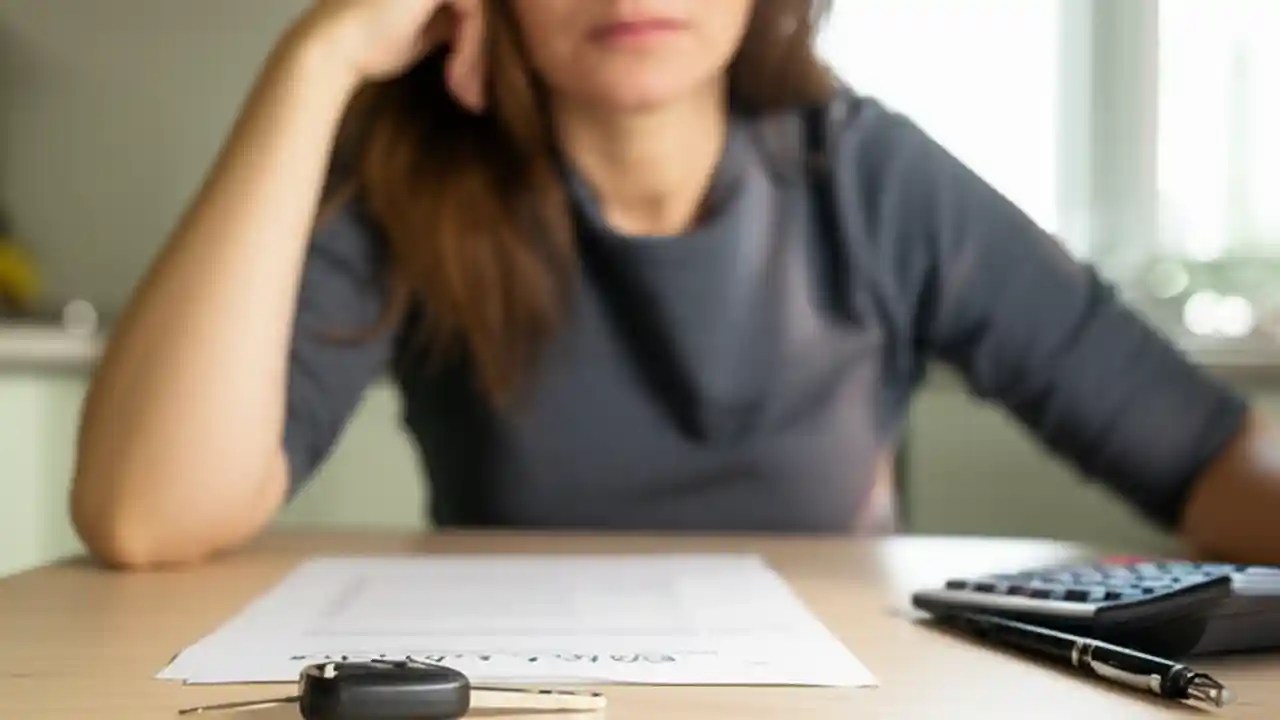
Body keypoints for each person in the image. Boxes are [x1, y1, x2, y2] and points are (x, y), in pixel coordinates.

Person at [69, 0, 1280, 570]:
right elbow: (146, 516)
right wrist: (317, 58)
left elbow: (1203, 459)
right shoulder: (413, 185)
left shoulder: (872, 173)